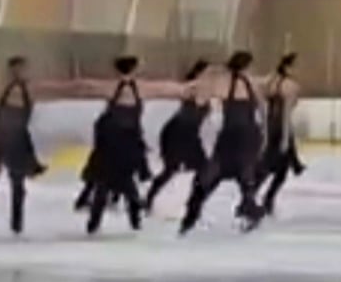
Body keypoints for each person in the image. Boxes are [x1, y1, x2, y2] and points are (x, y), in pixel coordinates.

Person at [0, 56, 72, 240]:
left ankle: (17, 224)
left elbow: (59, 89)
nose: (20, 73)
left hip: (18, 141)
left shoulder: (31, 90)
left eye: (22, 69)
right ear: (11, 71)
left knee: (18, 184)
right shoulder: (1, 89)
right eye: (16, 70)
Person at [79, 55, 193, 235]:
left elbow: (86, 86)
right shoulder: (139, 87)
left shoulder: (111, 87)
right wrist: (185, 88)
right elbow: (163, 89)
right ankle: (134, 221)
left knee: (105, 184)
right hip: (126, 144)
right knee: (125, 184)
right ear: (134, 69)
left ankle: (96, 223)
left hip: (112, 143)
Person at [181, 51, 267, 234]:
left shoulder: (223, 82)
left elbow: (200, 98)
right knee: (246, 178)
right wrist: (265, 134)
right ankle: (250, 212)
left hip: (233, 135)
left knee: (212, 176)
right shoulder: (251, 83)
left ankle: (191, 215)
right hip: (248, 135)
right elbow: (262, 109)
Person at [143, 60, 212, 214]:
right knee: (171, 170)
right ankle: (148, 199)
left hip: (191, 134)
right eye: (208, 72)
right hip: (177, 133)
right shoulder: (192, 88)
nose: (211, 75)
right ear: (200, 73)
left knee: (204, 169)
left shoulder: (205, 89)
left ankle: (193, 203)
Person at [257, 53, 306, 215]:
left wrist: (264, 130)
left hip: (270, 127)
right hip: (281, 130)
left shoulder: (271, 81)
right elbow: (286, 114)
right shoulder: (290, 86)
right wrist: (286, 138)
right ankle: (265, 199)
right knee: (279, 171)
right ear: (287, 67)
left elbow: (263, 105)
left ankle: (258, 197)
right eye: (294, 66)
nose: (297, 70)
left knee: (270, 167)